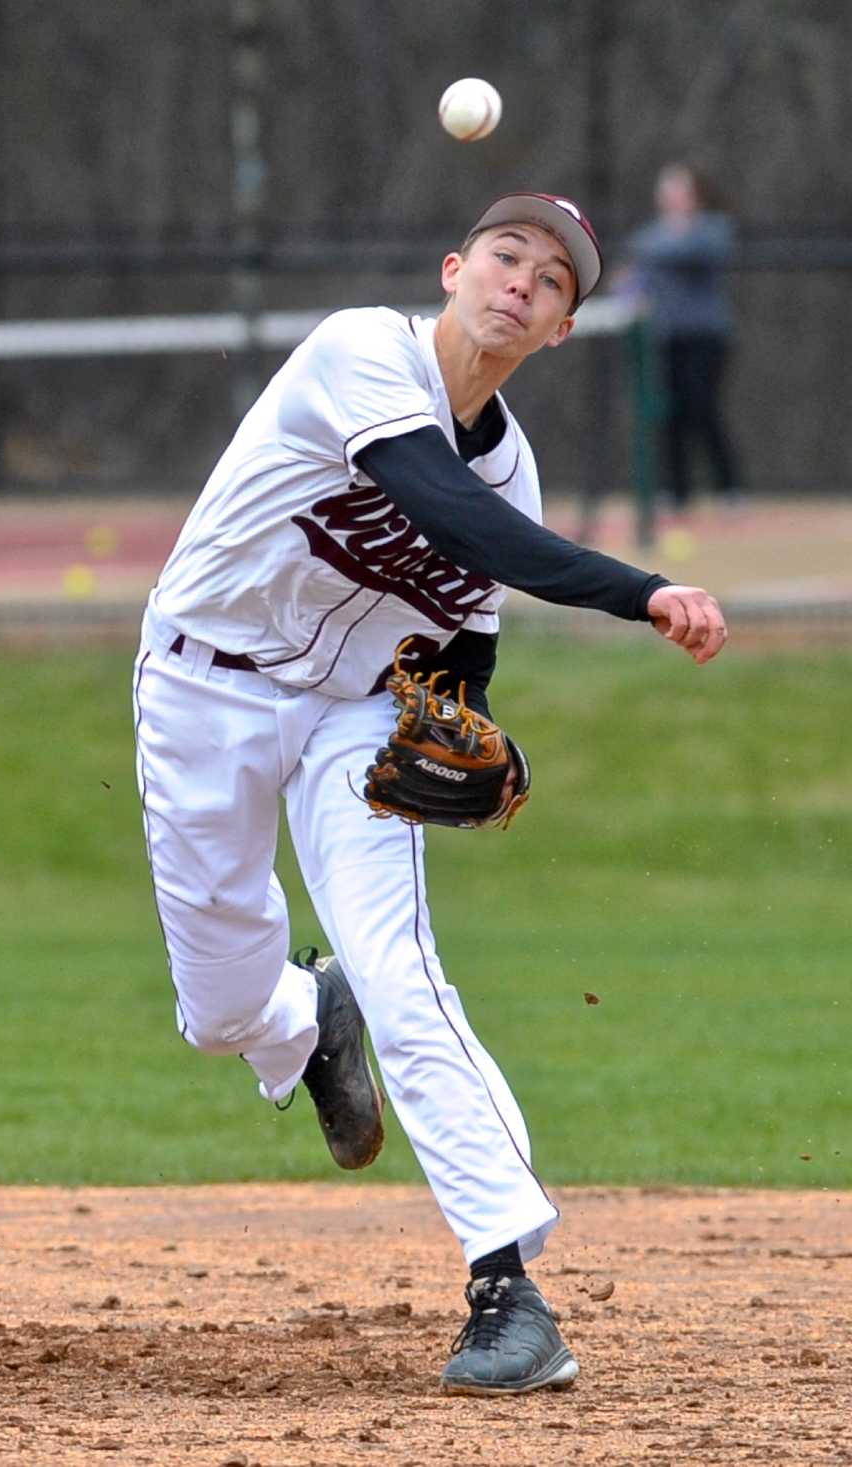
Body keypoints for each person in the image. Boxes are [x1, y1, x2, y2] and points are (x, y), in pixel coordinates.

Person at [132, 193, 727, 1395]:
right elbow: (451, 514)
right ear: (453, 270)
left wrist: (470, 734)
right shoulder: (358, 350)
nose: (521, 283)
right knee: (218, 1010)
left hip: (354, 716)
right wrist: (638, 591)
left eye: (550, 281)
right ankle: (303, 1023)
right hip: (203, 685)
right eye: (506, 257)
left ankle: (508, 1294)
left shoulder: (512, 467)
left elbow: (458, 656)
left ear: (559, 329)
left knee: (403, 974)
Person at [626, 162, 744, 513]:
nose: (673, 197)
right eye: (668, 190)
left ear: (694, 195)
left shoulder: (712, 229)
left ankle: (729, 488)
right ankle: (677, 492)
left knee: (701, 408)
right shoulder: (651, 235)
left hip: (706, 337)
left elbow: (691, 251)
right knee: (669, 413)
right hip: (666, 338)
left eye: (680, 190)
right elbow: (639, 264)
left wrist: (655, 249)